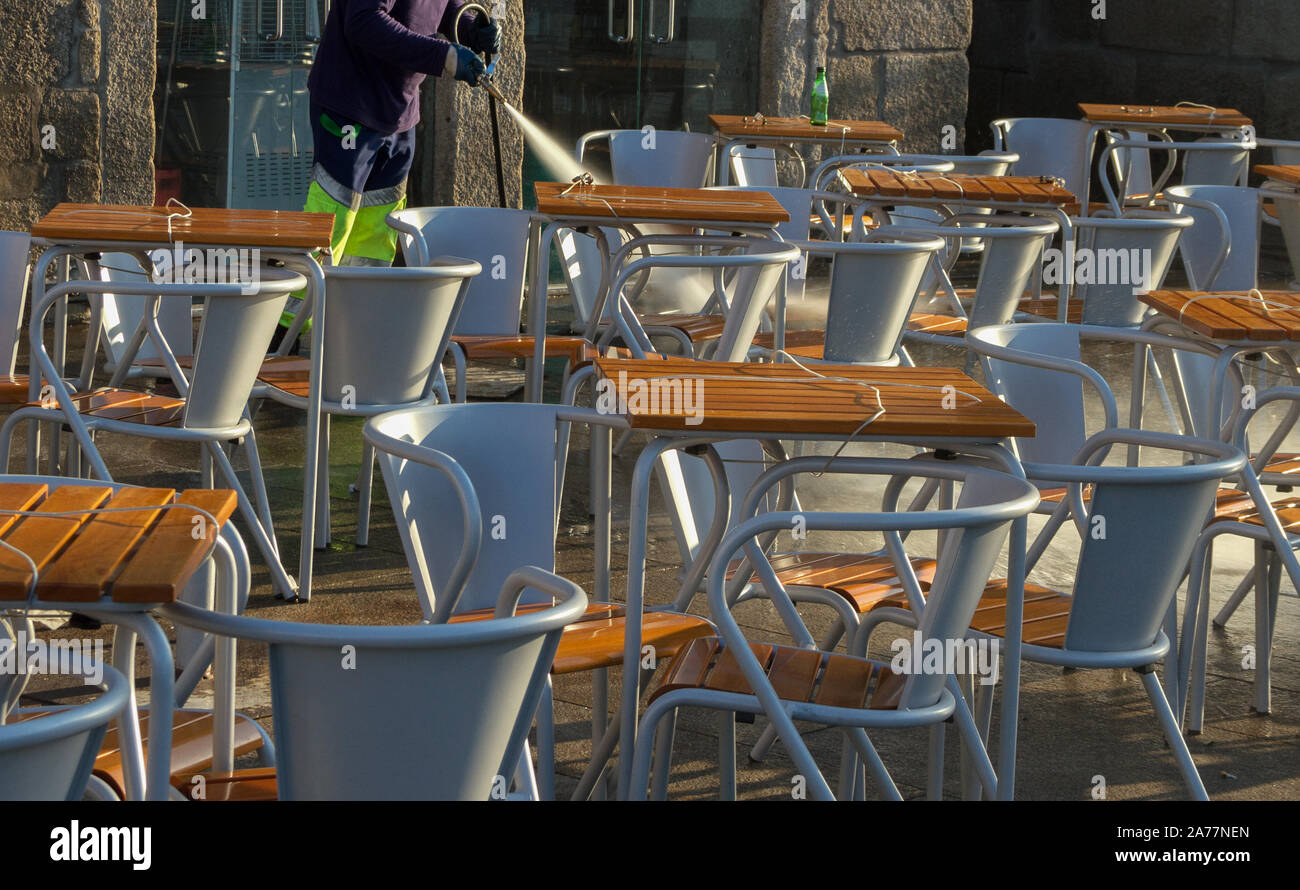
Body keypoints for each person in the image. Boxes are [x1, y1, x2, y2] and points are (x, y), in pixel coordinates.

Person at [281, 0, 501, 334]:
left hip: (399, 113)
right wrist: (444, 57)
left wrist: (471, 27)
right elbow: (364, 21)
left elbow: (438, 6)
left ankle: (351, 337)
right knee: (331, 222)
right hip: (350, 106)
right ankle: (281, 340)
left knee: (377, 230)